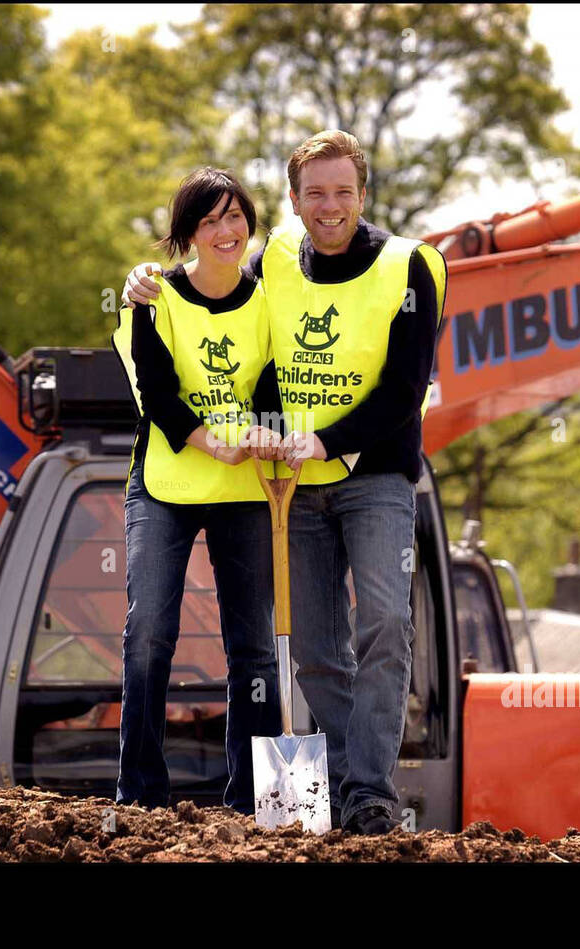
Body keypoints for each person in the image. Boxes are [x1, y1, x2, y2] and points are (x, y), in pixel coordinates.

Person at [124, 131, 448, 834]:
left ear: (363, 195)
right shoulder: (274, 262)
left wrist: (323, 440)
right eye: (314, 193)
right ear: (295, 201)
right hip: (292, 483)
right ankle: (327, 790)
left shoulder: (408, 266)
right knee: (311, 648)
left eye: (342, 192)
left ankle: (370, 793)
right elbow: (242, 340)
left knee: (387, 623)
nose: (328, 207)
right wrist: (139, 284)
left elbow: (405, 386)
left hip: (375, 475)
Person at [110, 167, 282, 815]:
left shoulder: (268, 301)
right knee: (149, 631)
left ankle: (256, 801)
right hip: (166, 483)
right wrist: (213, 440)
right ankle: (141, 794)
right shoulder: (152, 296)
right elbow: (154, 391)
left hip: (244, 490)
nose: (226, 230)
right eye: (209, 220)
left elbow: (272, 387)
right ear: (188, 233)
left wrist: (268, 439)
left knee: (255, 648)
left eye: (235, 215)